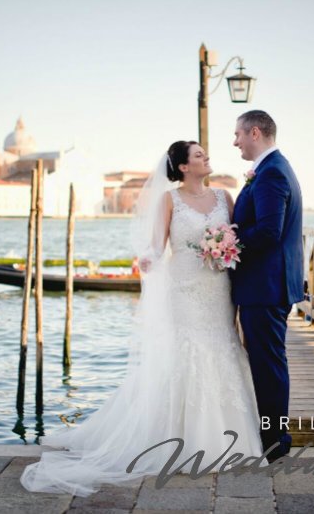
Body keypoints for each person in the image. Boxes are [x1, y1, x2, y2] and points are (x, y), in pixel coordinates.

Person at [20, 141, 265, 496]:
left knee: (222, 347)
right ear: (183, 167)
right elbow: (156, 245)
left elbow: (238, 237)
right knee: (189, 352)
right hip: (184, 289)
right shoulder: (169, 200)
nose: (206, 157)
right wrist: (148, 259)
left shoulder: (224, 197)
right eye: (199, 155)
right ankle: (181, 439)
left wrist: (226, 249)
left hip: (218, 287)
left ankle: (230, 437)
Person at [230, 110, 304, 461]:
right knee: (267, 361)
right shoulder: (273, 168)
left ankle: (275, 441)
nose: (235, 142)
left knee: (268, 364)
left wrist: (229, 240)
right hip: (268, 284)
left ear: (255, 133)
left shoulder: (271, 172)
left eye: (238, 135)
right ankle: (273, 435)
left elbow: (269, 231)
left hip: (265, 286)